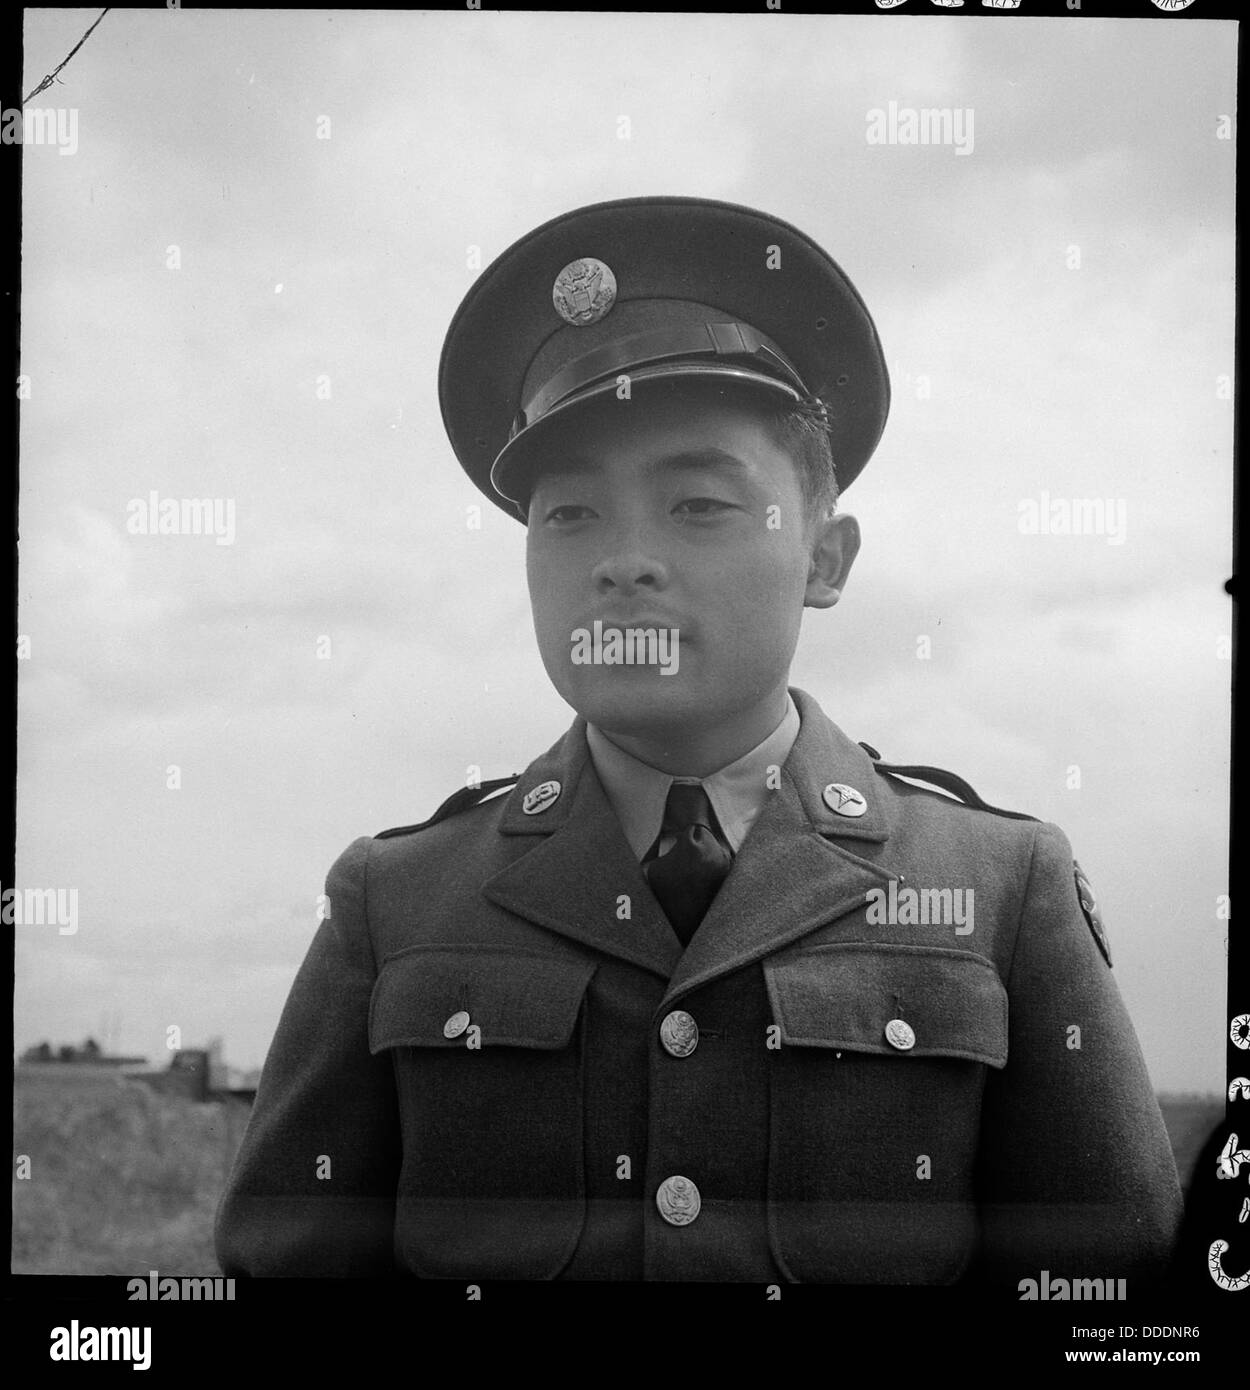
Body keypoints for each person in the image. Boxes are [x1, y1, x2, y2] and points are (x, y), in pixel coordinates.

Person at [215, 196, 1182, 1284]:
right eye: (569, 516)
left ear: (823, 559)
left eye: (698, 506)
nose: (620, 562)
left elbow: (1115, 1298)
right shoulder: (396, 899)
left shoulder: (1000, 887)